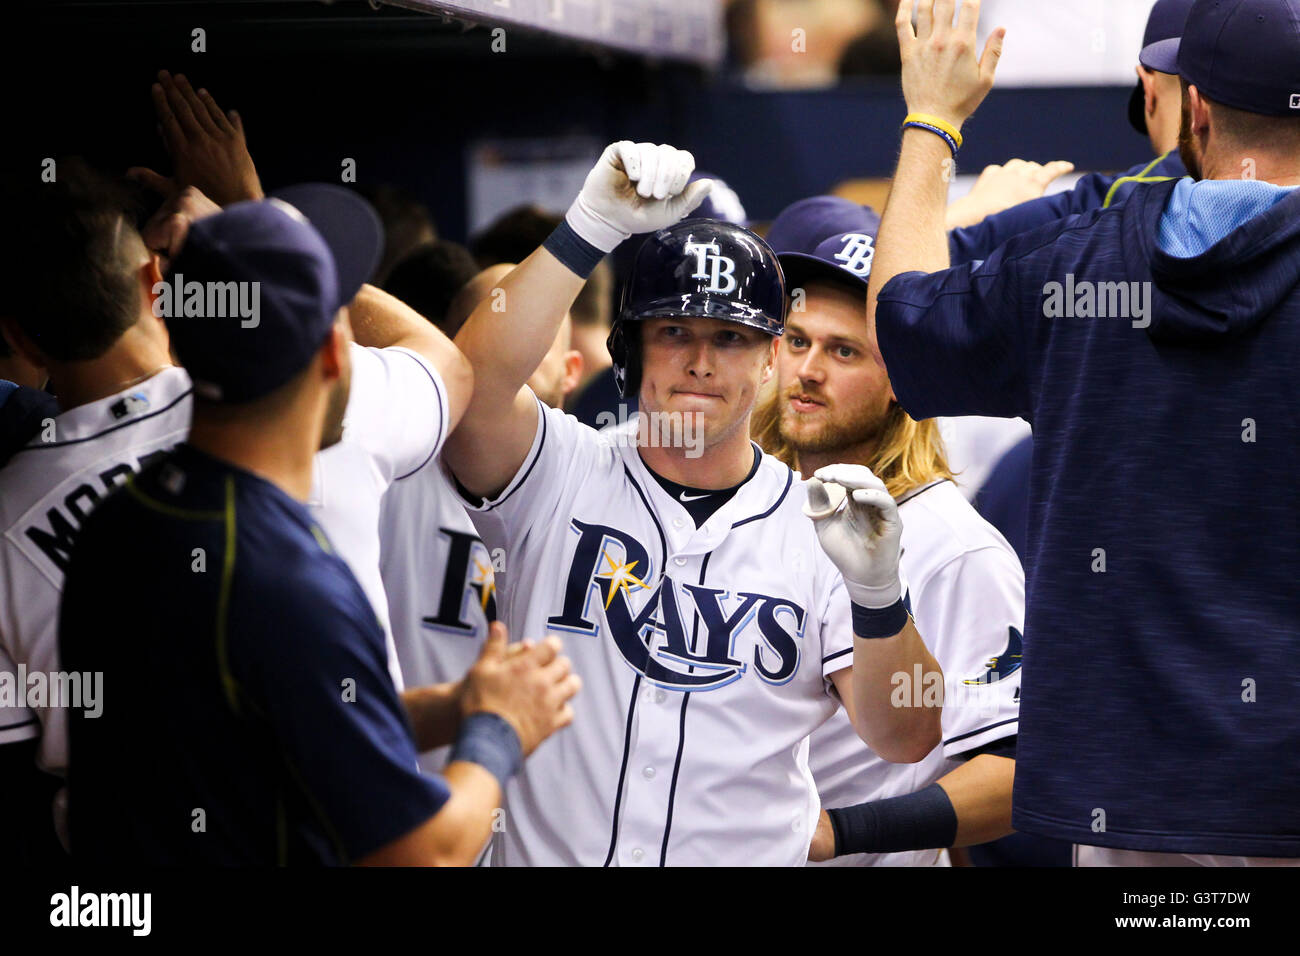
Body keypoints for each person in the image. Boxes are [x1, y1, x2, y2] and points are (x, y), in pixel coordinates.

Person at [868, 0, 1300, 865]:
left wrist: (933, 124)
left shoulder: (1072, 264)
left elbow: (899, 324)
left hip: (1122, 805)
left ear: (1196, 108)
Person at [444, 140, 943, 866]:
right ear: (632, 346)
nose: (702, 361)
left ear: (771, 357)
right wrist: (589, 225)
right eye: (675, 330)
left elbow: (908, 736)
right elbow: (470, 387)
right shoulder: (559, 464)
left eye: (732, 337)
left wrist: (878, 593)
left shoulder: (823, 528)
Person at [59, 190, 580, 865]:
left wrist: (456, 706)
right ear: (337, 354)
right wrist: (499, 729)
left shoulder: (120, 521)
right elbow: (426, 853)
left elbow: (284, 718)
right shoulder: (287, 579)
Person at [753, 196, 1022, 866]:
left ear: (903, 378)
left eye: (844, 351)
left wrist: (840, 832)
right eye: (796, 340)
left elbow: (1014, 777)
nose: (808, 370)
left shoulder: (957, 549)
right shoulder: (741, 498)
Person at [380, 263, 583, 774]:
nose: (510, 352)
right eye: (493, 329)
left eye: (533, 336)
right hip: (417, 803)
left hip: (560, 835)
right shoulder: (391, 472)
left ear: (573, 368)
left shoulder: (611, 484)